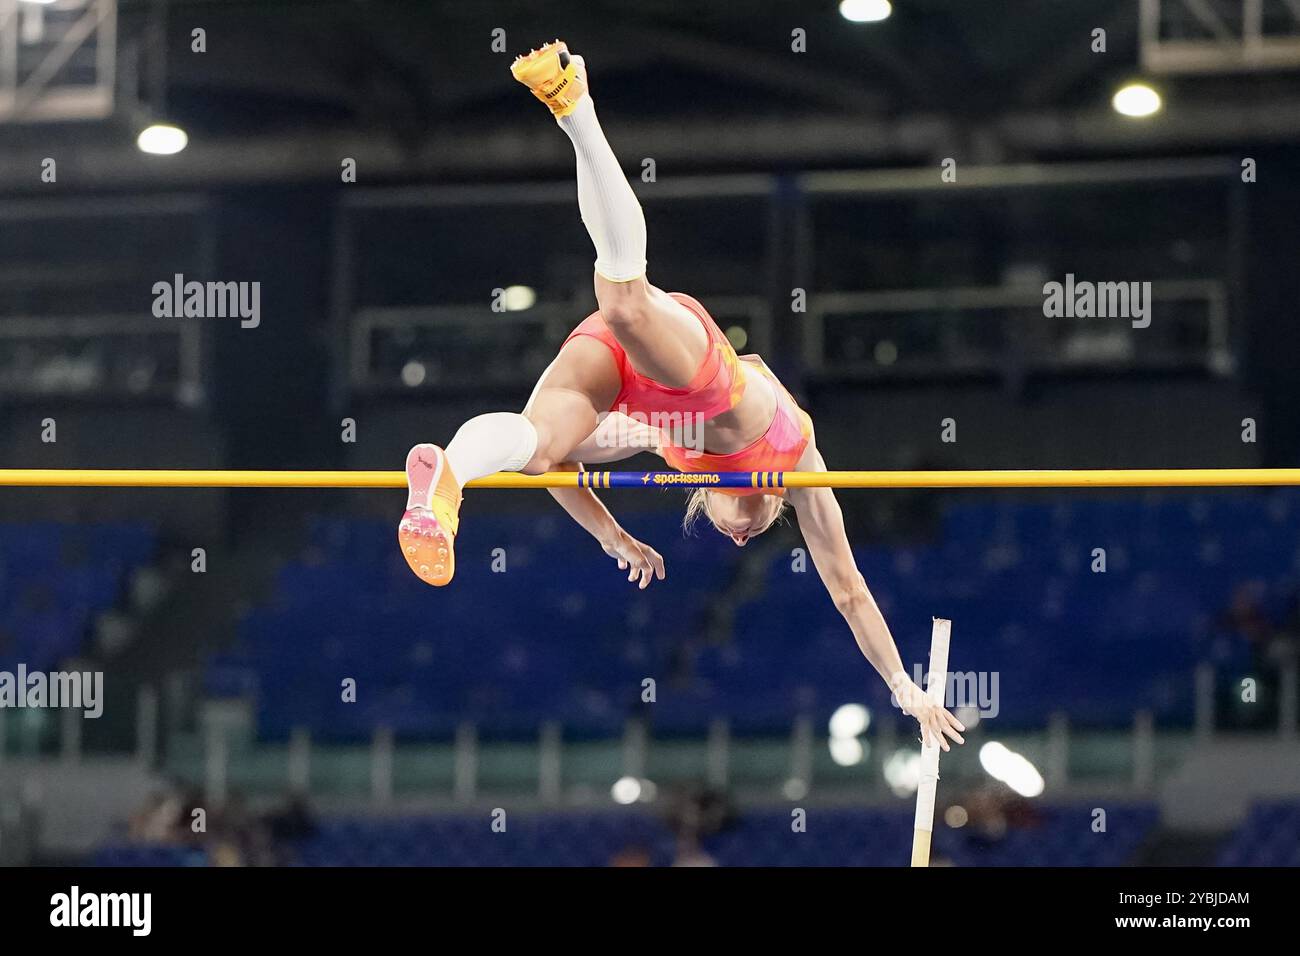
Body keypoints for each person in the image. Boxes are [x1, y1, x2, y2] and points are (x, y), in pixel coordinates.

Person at [397, 41, 964, 752]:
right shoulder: (802, 467)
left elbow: (561, 469)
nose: (740, 533)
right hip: (701, 368)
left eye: (733, 532)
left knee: (537, 448)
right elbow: (848, 588)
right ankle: (577, 109)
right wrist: (904, 689)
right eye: (753, 529)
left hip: (634, 389)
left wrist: (611, 535)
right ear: (773, 506)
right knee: (627, 304)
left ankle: (446, 480)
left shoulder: (653, 441)